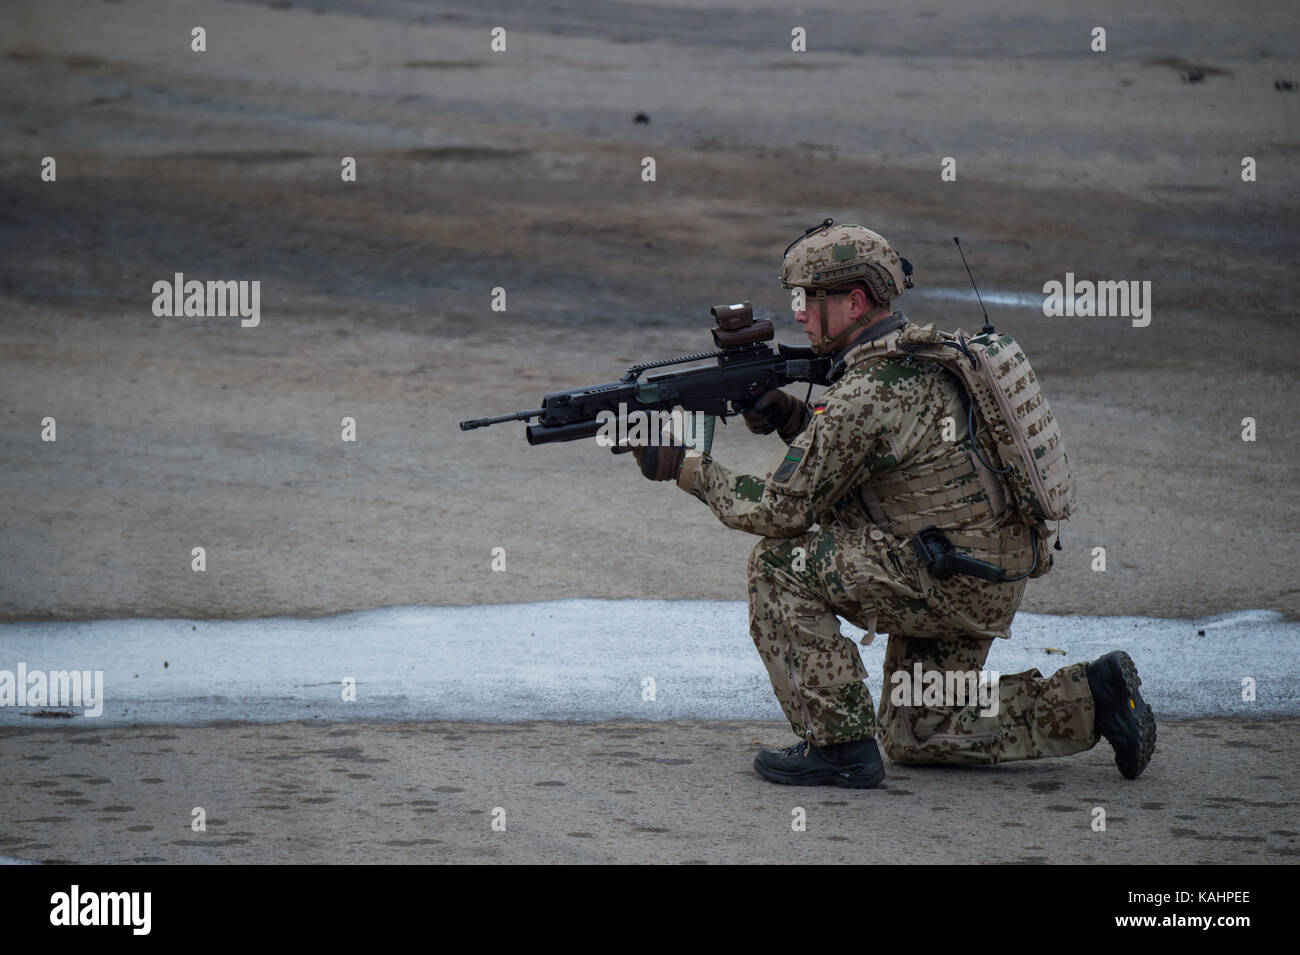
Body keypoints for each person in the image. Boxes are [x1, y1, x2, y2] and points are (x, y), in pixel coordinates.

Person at [628, 219, 1156, 788]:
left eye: (808, 299)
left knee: (777, 567)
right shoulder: (921, 359)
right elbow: (873, 464)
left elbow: (782, 510)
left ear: (854, 302)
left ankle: (837, 748)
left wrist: (684, 468)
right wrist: (793, 419)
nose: (799, 313)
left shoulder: (868, 390)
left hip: (939, 579)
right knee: (919, 730)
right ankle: (1095, 698)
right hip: (983, 573)